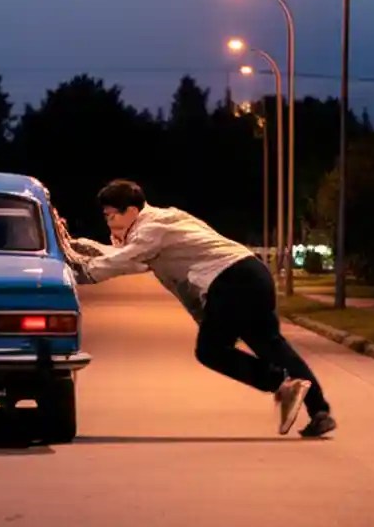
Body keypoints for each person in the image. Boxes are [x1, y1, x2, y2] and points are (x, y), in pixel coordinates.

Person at [61, 179, 336, 438]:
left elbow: (121, 261)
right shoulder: (163, 220)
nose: (108, 222)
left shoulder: (150, 231)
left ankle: (281, 384)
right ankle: (319, 411)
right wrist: (73, 246)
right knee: (271, 344)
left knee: (211, 350)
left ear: (131, 211)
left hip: (231, 280)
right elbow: (125, 258)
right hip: (252, 273)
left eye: (111, 216)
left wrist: (77, 272)